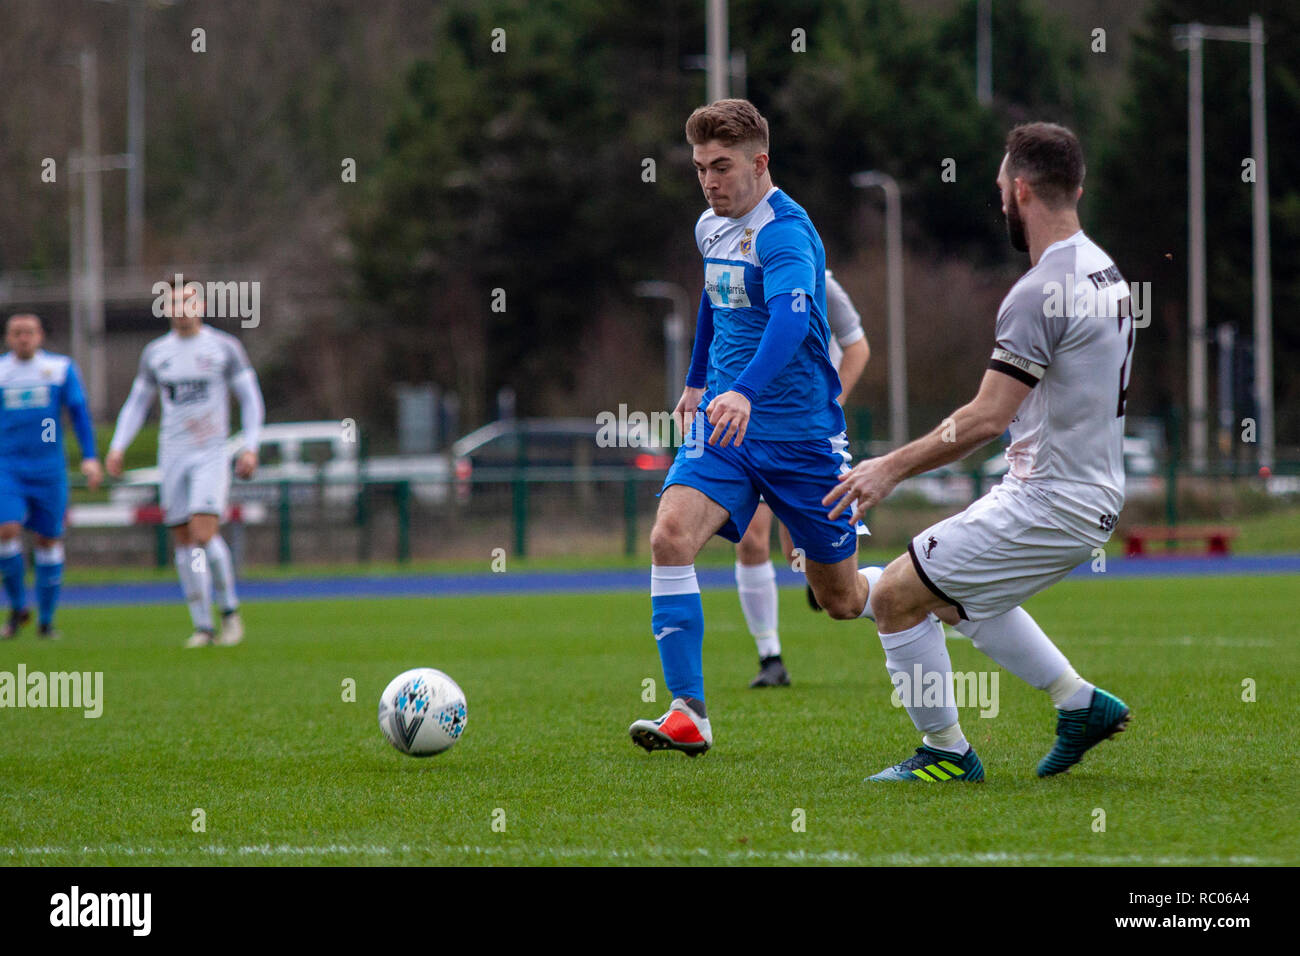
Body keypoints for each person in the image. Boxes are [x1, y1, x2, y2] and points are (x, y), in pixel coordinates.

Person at [825, 122, 1133, 782]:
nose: (999, 201)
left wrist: (888, 468)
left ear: (1020, 191)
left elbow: (986, 418)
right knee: (959, 597)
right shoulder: (1106, 271)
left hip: (1052, 500)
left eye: (1000, 188)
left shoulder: (1035, 292)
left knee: (898, 598)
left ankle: (946, 754)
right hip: (1090, 495)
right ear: (1073, 187)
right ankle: (1079, 702)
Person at [629, 99, 875, 756]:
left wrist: (742, 389)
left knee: (844, 599)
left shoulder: (787, 234)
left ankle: (922, 589)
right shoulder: (711, 226)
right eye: (701, 167)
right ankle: (689, 711)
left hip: (799, 438)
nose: (710, 181)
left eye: (723, 167)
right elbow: (716, 301)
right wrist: (695, 382)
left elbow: (792, 320)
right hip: (727, 432)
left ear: (759, 162)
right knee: (670, 537)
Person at [106, 279, 264, 647]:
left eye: (187, 302)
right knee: (182, 540)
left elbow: (251, 399)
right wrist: (117, 446)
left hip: (211, 452)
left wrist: (250, 446)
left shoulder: (225, 347)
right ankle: (202, 626)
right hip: (173, 454)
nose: (180, 308)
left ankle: (229, 612)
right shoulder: (156, 353)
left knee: (204, 532)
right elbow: (137, 403)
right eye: (173, 303)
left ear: (201, 305)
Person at [738, 269, 868, 688]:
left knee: (824, 580)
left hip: (806, 436)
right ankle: (770, 657)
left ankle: (920, 595)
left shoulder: (820, 281)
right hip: (754, 429)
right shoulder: (735, 274)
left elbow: (857, 347)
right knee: (751, 538)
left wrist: (833, 400)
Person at [0, 314, 102, 639]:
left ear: (40, 335)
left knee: (48, 539)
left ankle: (46, 620)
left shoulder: (59, 369)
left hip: (48, 468)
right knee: (7, 529)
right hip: (7, 466)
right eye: (17, 333)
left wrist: (90, 457)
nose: (23, 338)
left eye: (29, 332)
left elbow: (79, 414)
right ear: (8, 338)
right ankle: (18, 608)